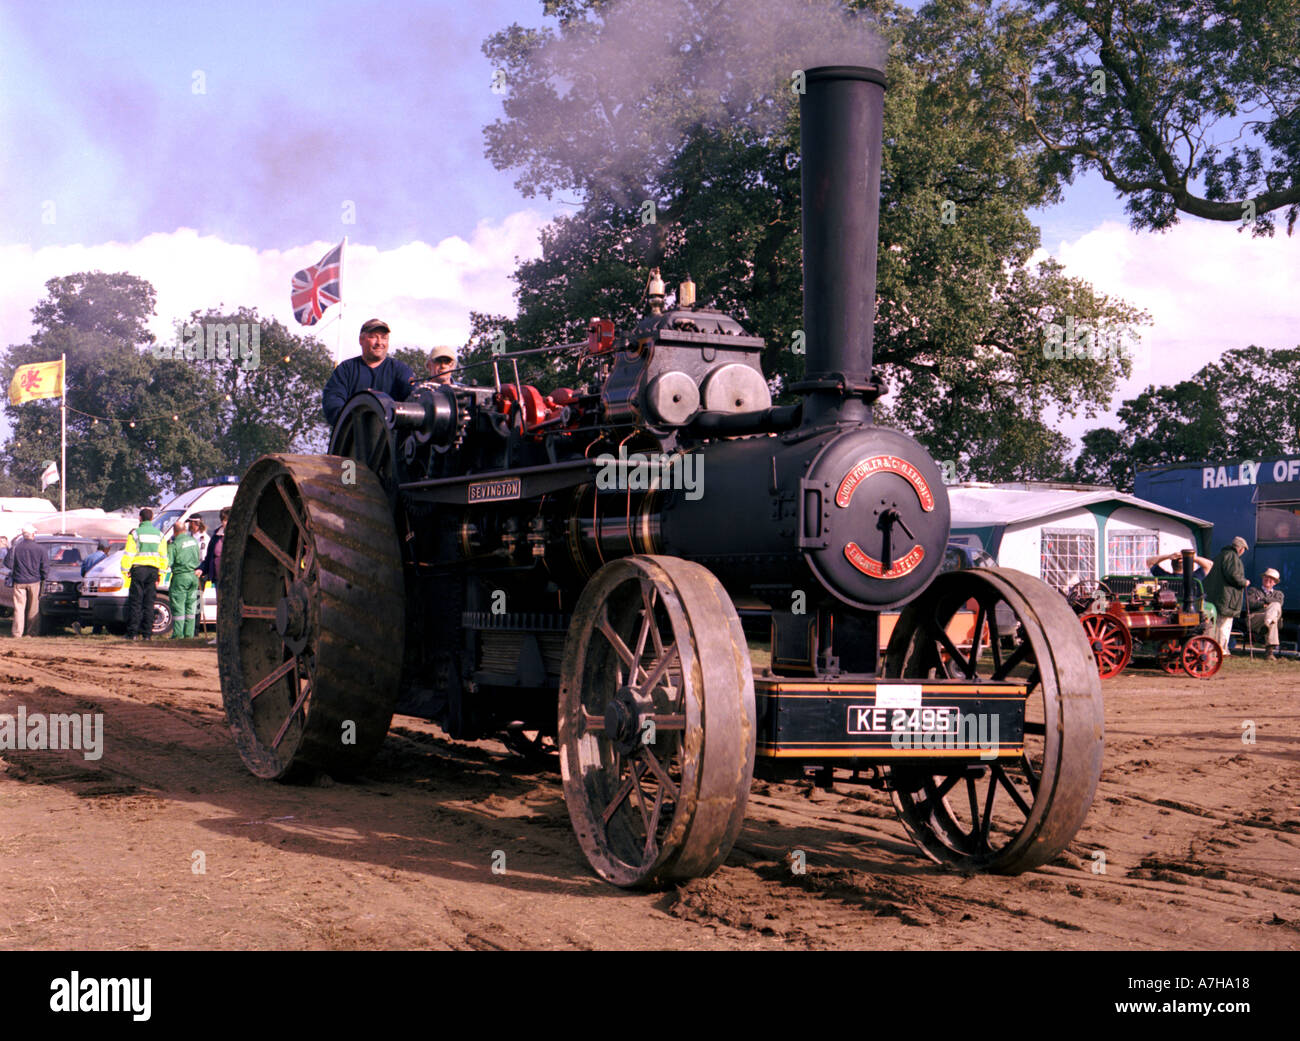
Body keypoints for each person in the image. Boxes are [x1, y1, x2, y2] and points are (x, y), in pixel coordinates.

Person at [321, 318, 415, 426]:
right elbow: (333, 401)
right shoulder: (345, 370)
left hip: (392, 438)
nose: (379, 342)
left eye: (384, 338)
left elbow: (413, 396)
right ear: (361, 340)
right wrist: (353, 423)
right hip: (353, 437)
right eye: (373, 337)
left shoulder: (400, 370)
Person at [122, 507, 167, 641]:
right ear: (152, 518)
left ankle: (133, 633)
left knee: (136, 602)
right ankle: (147, 634)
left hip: (138, 570)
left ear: (140, 518)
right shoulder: (159, 535)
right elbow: (164, 556)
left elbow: (129, 554)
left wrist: (125, 570)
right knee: (149, 602)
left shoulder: (135, 534)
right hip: (153, 571)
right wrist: (161, 572)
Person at [1203, 536, 1250, 655]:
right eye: (1244, 550)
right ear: (1240, 549)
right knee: (1224, 625)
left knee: (1215, 625)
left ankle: (1212, 650)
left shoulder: (1220, 556)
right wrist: (1244, 582)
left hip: (1215, 597)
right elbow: (1234, 576)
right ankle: (1221, 650)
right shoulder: (1232, 557)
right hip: (1226, 599)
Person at [8, 525, 48, 637]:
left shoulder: (16, 548)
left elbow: (7, 563)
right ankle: (32, 632)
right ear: (33, 535)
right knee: (33, 608)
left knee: (19, 608)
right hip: (35, 581)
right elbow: (45, 567)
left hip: (19, 581)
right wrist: (44, 577)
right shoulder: (40, 549)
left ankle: (17, 633)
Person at [167, 520, 201, 639]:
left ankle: (178, 634)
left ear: (174, 531)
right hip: (194, 576)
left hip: (180, 577)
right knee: (191, 606)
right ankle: (189, 634)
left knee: (178, 606)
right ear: (185, 530)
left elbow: (169, 562)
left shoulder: (174, 544)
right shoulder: (194, 541)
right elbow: (199, 557)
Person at [1244, 567, 1285, 660]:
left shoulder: (1279, 594)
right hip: (1255, 618)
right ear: (1262, 578)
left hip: (1270, 618)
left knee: (1275, 606)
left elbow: (1279, 603)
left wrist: (1262, 601)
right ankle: (1269, 653)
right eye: (1266, 577)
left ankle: (1267, 623)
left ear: (1275, 582)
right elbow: (1250, 604)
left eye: (1271, 579)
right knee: (1273, 617)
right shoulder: (1253, 590)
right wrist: (1265, 604)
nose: (1268, 579)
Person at [1146, 549, 1213, 579]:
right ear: (1187, 565)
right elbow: (1209, 564)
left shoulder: (1165, 577)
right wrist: (1189, 557)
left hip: (1170, 606)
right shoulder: (1194, 578)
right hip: (1193, 607)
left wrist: (1168, 556)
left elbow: (1149, 562)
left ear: (1172, 565)